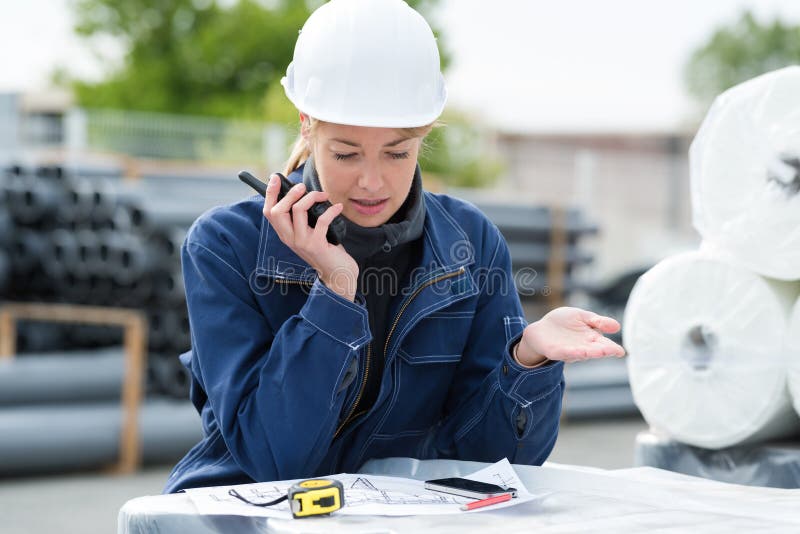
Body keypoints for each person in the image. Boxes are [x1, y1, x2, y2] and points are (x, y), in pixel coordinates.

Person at [164, 0, 624, 493]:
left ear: (423, 137)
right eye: (345, 153)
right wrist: (335, 294)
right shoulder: (227, 246)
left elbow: (492, 466)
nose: (371, 181)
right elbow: (275, 460)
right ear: (306, 123)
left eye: (397, 152)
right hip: (245, 513)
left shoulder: (470, 244)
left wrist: (528, 360)